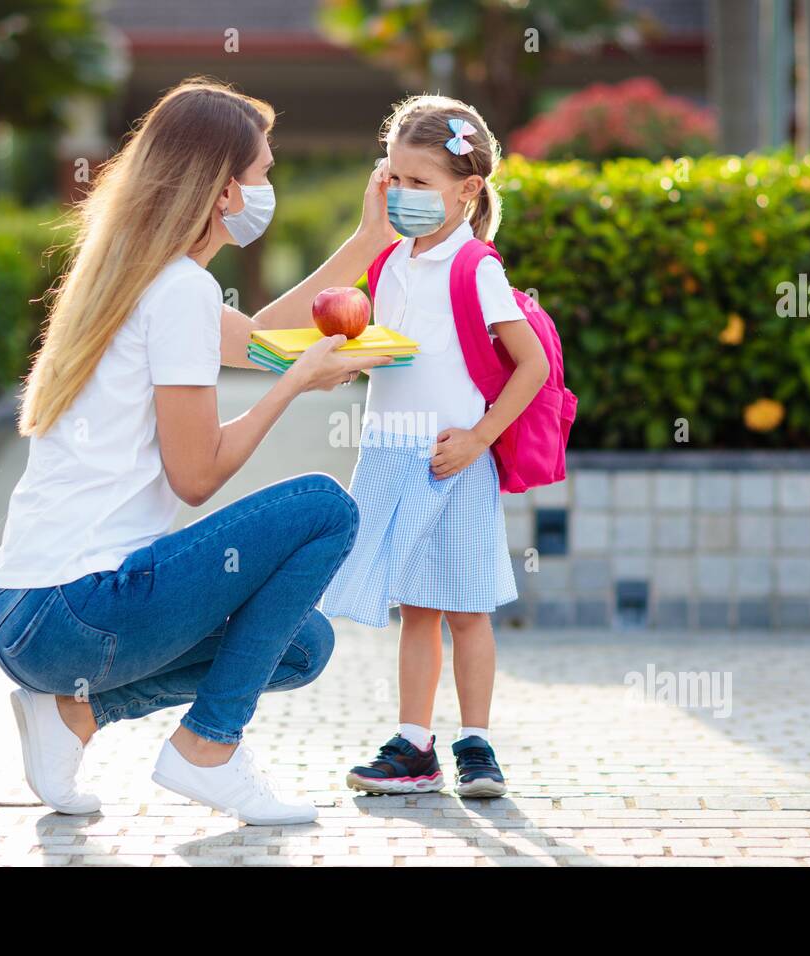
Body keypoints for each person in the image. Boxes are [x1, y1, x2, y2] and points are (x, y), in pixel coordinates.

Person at [0, 79, 395, 826]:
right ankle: (208, 749)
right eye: (263, 173)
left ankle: (74, 716)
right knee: (324, 509)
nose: (269, 188)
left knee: (301, 645)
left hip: (27, 619)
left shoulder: (143, 279)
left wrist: (367, 243)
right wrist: (295, 386)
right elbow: (197, 475)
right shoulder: (176, 291)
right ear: (223, 190)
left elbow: (267, 341)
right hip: (79, 611)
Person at [320, 95, 550, 797]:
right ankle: (414, 744)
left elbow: (531, 364)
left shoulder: (476, 266)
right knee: (415, 608)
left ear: (468, 188)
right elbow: (383, 346)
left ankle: (475, 743)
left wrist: (482, 436)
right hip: (389, 452)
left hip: (453, 457)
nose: (404, 195)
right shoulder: (387, 262)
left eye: (420, 183)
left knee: (467, 606)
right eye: (394, 180)